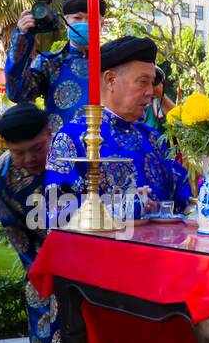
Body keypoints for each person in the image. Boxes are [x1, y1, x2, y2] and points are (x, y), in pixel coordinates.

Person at [45, 36, 192, 220]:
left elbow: (183, 201)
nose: (150, 91)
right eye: (142, 81)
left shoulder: (153, 138)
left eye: (152, 83)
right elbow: (56, 211)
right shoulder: (73, 137)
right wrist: (123, 208)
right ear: (110, 80)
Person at [0, 103, 58, 343]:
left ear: (50, 134)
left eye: (37, 149)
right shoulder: (3, 175)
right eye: (19, 153)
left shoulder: (74, 160)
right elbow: (15, 230)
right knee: (38, 298)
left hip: (92, 258)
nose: (29, 159)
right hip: (43, 261)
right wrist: (41, 272)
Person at [4, 0, 108, 134]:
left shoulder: (114, 61)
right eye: (77, 18)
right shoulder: (49, 62)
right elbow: (17, 93)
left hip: (105, 150)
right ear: (66, 22)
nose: (84, 23)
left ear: (101, 24)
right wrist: (22, 38)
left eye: (91, 19)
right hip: (60, 150)